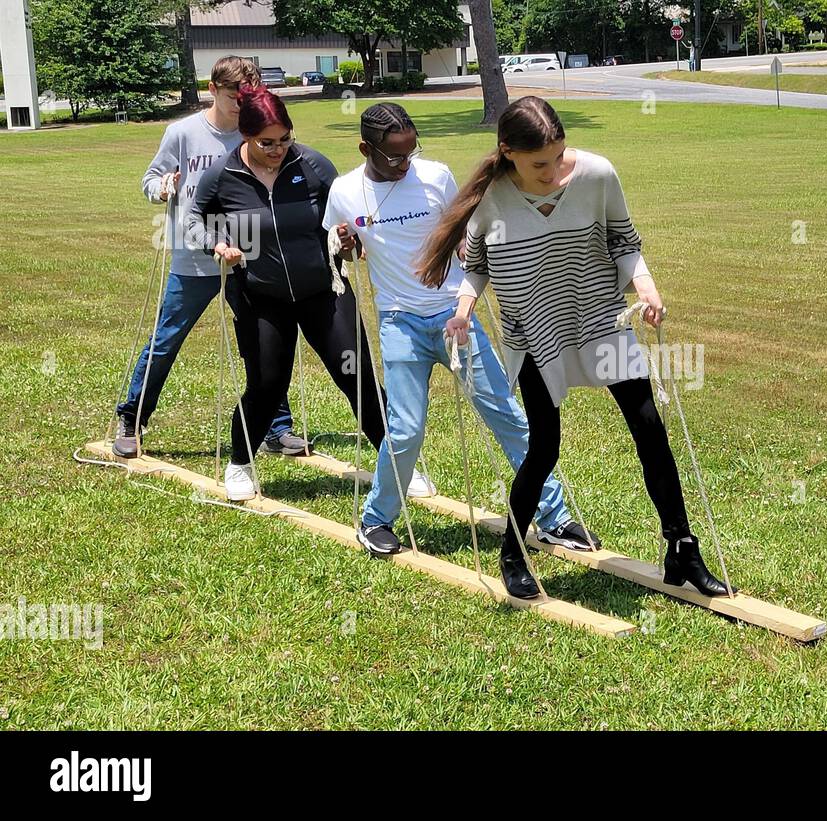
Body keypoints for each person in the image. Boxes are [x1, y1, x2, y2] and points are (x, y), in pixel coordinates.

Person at [417, 96, 733, 599]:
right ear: (509, 153)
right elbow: (475, 264)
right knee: (544, 446)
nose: (553, 171)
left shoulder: (597, 175)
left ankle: (682, 549)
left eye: (559, 157)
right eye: (539, 163)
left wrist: (646, 286)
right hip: (535, 335)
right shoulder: (491, 197)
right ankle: (515, 552)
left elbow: (624, 242)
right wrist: (462, 309)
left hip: (601, 321)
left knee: (650, 429)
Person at [322, 102, 602, 557]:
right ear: (364, 149)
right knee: (406, 427)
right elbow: (344, 253)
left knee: (508, 416)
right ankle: (375, 520)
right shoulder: (344, 191)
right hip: (399, 322)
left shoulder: (435, 177)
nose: (405, 163)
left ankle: (553, 517)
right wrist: (347, 245)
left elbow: (466, 236)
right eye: (394, 157)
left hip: (456, 318)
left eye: (411, 152)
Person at [187, 85, 384, 501]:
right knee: (266, 385)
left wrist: (350, 239)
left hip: (325, 291)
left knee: (356, 376)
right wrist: (216, 244)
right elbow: (191, 220)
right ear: (245, 136)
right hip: (261, 298)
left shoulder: (312, 164)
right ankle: (240, 462)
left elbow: (347, 216)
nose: (278, 150)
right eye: (267, 143)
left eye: (285, 139)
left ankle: (396, 460)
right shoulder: (223, 175)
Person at [114, 56, 304, 459]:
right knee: (166, 340)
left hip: (247, 254)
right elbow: (149, 179)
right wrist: (162, 187)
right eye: (236, 96)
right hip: (194, 256)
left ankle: (276, 426)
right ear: (213, 90)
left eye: (250, 96)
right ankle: (132, 418)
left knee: (261, 342)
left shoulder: (254, 133)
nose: (242, 104)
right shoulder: (182, 133)